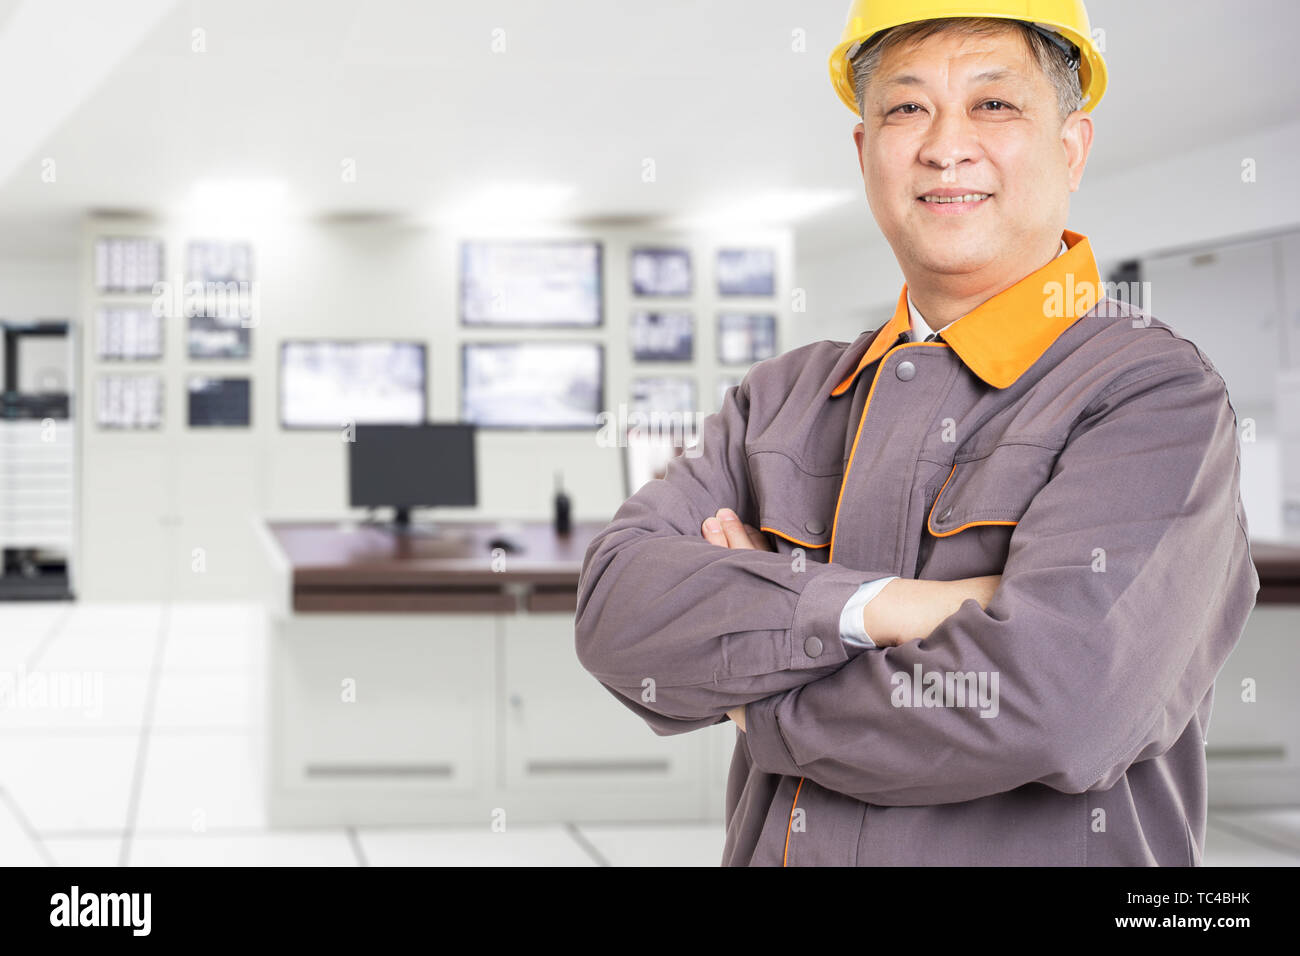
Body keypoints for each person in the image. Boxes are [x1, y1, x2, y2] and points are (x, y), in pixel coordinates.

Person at [574, 0, 1260, 866]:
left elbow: (1065, 706)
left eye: (994, 103)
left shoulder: (1152, 393)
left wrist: (757, 691)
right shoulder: (782, 396)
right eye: (906, 108)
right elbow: (615, 617)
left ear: (1072, 146)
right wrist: (900, 607)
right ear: (865, 153)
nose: (944, 144)